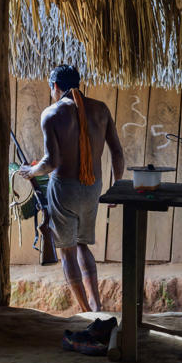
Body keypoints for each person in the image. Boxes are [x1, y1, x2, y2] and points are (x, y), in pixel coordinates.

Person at [18, 65, 124, 312]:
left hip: (65, 189)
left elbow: (51, 162)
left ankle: (85, 311)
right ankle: (96, 307)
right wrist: (116, 186)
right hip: (93, 187)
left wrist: (30, 172)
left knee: (67, 251)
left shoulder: (51, 114)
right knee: (82, 245)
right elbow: (117, 153)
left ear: (55, 86)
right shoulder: (101, 109)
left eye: (51, 88)